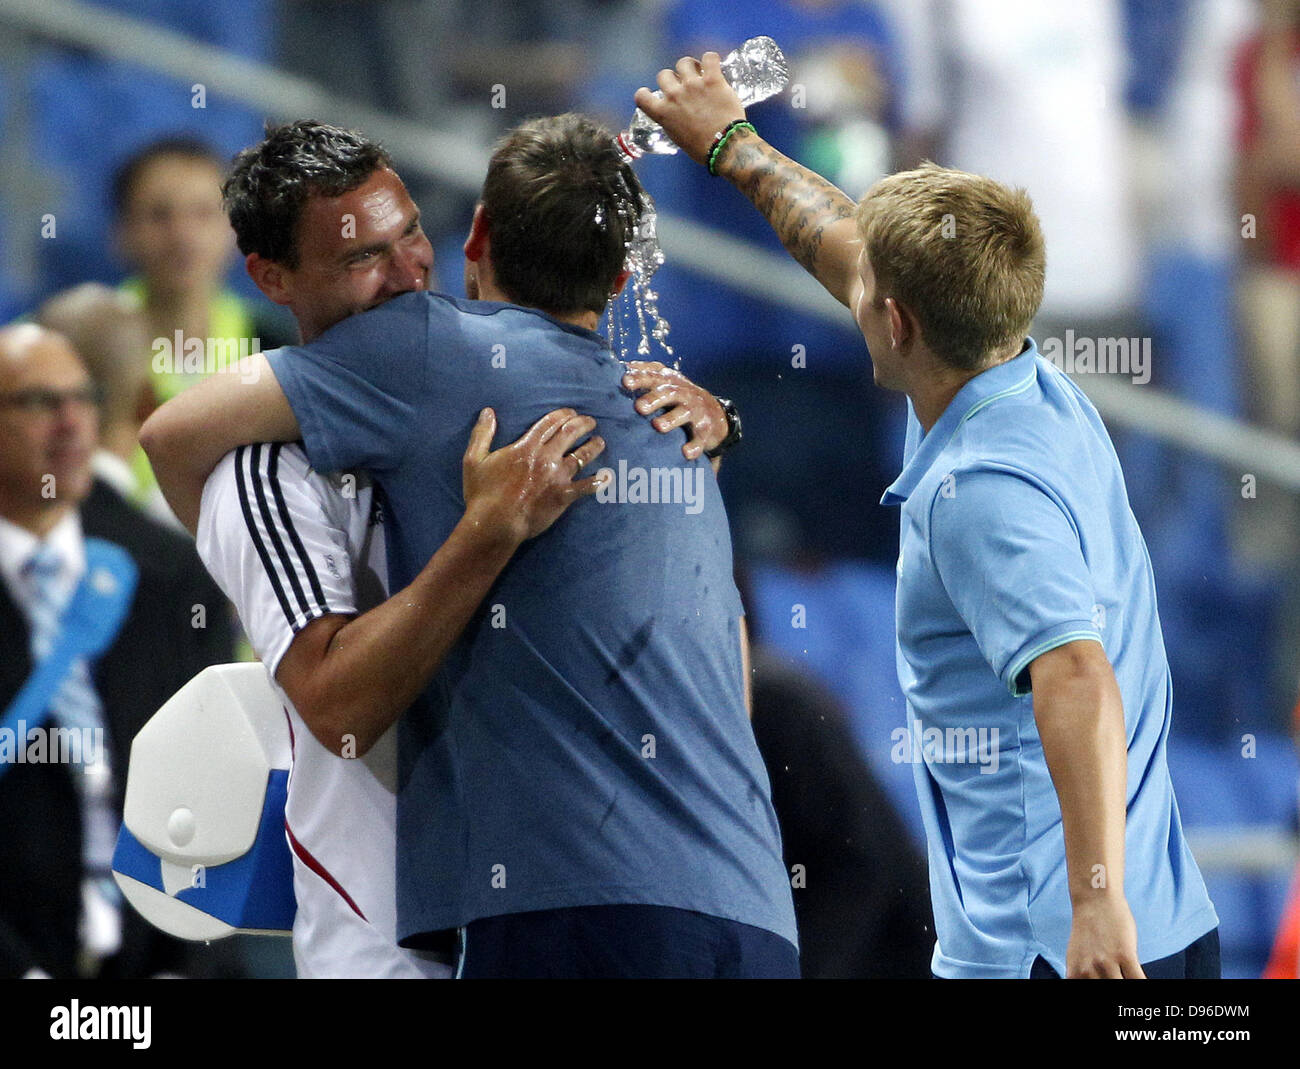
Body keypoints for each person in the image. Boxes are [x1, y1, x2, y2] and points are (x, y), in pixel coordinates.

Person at [634, 53, 1220, 978]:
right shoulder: (1016, 371)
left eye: (870, 294)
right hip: (1157, 924)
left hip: (1058, 951)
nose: (853, 288)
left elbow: (1075, 672)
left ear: (896, 325)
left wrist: (1095, 903)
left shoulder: (980, 489)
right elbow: (844, 244)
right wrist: (732, 144)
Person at [143, 119, 757, 977]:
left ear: (466, 235)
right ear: (270, 278)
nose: (406, 276)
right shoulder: (258, 475)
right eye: (362, 258)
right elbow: (339, 711)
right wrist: (483, 534)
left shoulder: (487, 385)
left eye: (410, 238)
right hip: (389, 940)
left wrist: (713, 425)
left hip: (533, 909)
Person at [0, 323, 235, 978]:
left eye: (84, 398)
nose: (72, 424)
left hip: (155, 961)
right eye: (38, 402)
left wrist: (184, 960)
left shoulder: (168, 576)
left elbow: (212, 784)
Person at [112, 136, 295, 405]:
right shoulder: (78, 344)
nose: (183, 236)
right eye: (159, 214)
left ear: (235, 229)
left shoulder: (278, 347)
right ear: (122, 232)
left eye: (203, 213)